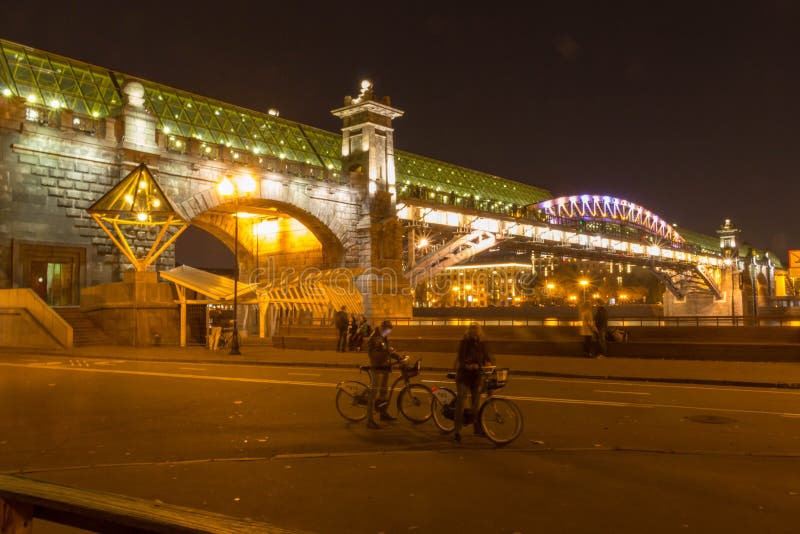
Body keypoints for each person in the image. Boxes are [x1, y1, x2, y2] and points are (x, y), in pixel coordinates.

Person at [453, 322, 495, 443]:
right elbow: (461, 357)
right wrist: (468, 365)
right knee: (461, 401)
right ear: (469, 331)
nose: (474, 332)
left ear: (479, 331)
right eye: (472, 329)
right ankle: (457, 431)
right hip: (464, 376)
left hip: (476, 376)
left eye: (476, 330)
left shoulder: (482, 343)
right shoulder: (465, 342)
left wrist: (488, 362)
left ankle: (477, 428)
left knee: (476, 404)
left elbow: (487, 356)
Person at [365, 320, 403, 429]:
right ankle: (369, 420)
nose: (388, 334)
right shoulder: (374, 338)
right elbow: (373, 355)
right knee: (373, 394)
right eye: (387, 331)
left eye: (389, 332)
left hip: (384, 367)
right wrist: (387, 352)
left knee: (383, 392)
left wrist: (397, 356)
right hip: (376, 368)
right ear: (382, 328)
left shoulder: (383, 337)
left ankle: (383, 413)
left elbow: (386, 350)